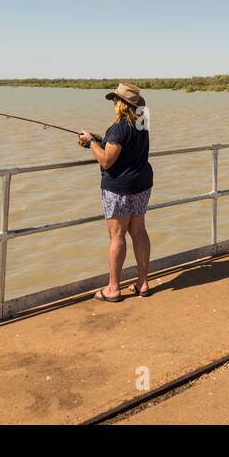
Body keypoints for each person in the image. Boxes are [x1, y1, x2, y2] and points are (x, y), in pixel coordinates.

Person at [78, 83, 153, 302]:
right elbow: (120, 143)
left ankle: (113, 288)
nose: (114, 103)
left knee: (117, 235)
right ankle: (143, 282)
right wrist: (99, 139)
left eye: (115, 100)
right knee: (139, 231)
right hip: (142, 183)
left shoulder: (119, 127)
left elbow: (106, 160)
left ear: (120, 104)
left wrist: (91, 142)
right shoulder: (142, 124)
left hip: (120, 187)